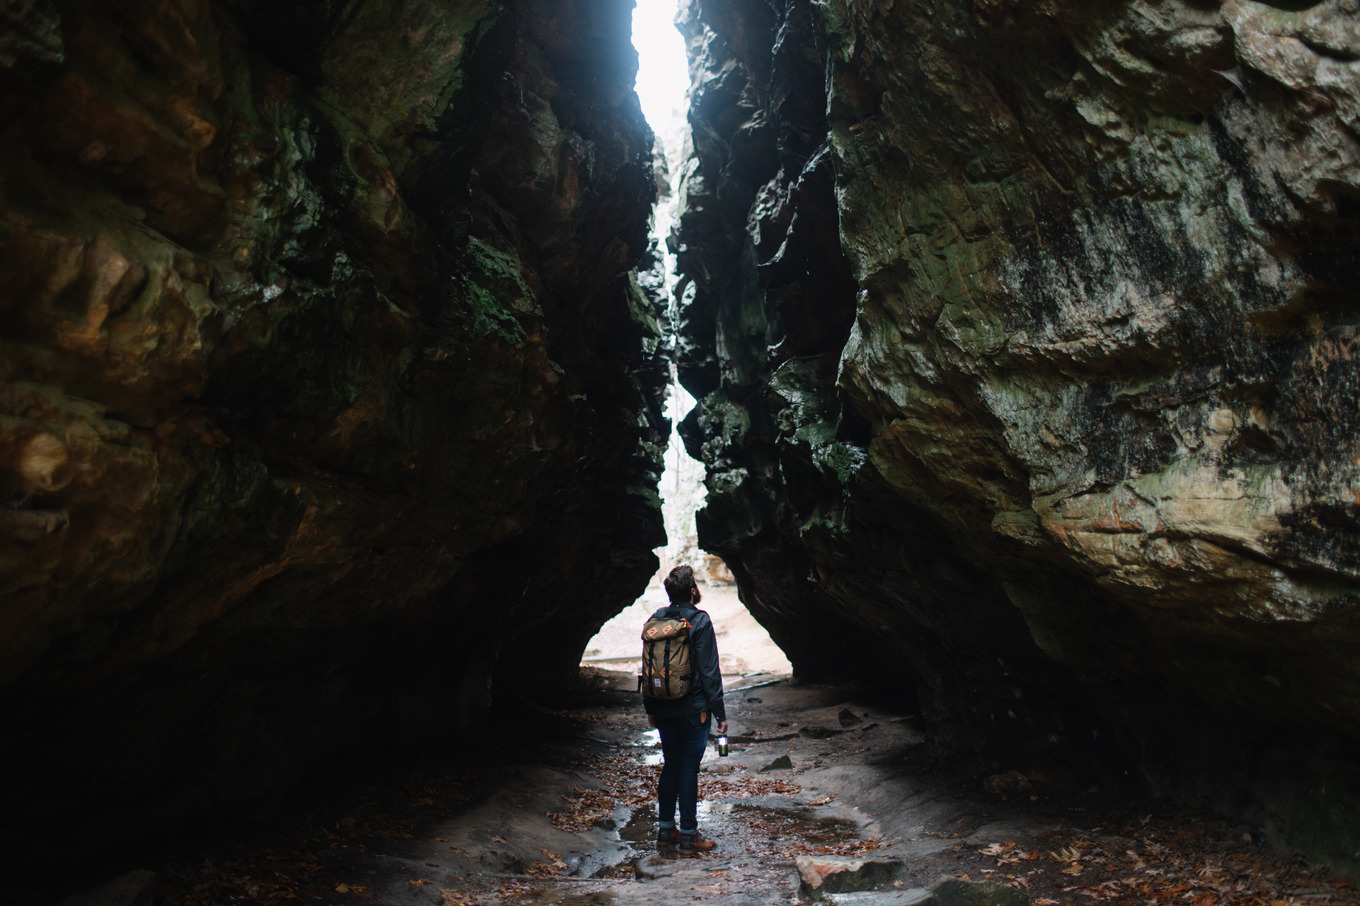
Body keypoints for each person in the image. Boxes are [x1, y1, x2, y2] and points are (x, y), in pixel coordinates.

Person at [643, 564, 728, 855]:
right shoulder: (699, 620)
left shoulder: (657, 619)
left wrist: (650, 707)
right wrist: (720, 713)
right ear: (693, 591)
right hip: (693, 709)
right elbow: (709, 672)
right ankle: (690, 837)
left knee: (671, 764)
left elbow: (647, 667)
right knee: (688, 769)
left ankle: (666, 832)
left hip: (664, 707)